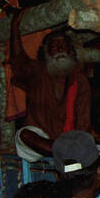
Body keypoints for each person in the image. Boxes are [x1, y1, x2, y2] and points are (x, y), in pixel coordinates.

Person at [9, 16, 92, 159]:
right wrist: (14, 28)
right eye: (54, 46)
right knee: (24, 135)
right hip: (41, 144)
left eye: (64, 45)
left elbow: (83, 120)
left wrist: (79, 144)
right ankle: (64, 153)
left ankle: (65, 153)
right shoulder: (37, 72)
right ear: (47, 52)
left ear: (70, 51)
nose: (60, 49)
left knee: (86, 144)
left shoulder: (80, 80)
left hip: (69, 142)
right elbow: (18, 61)